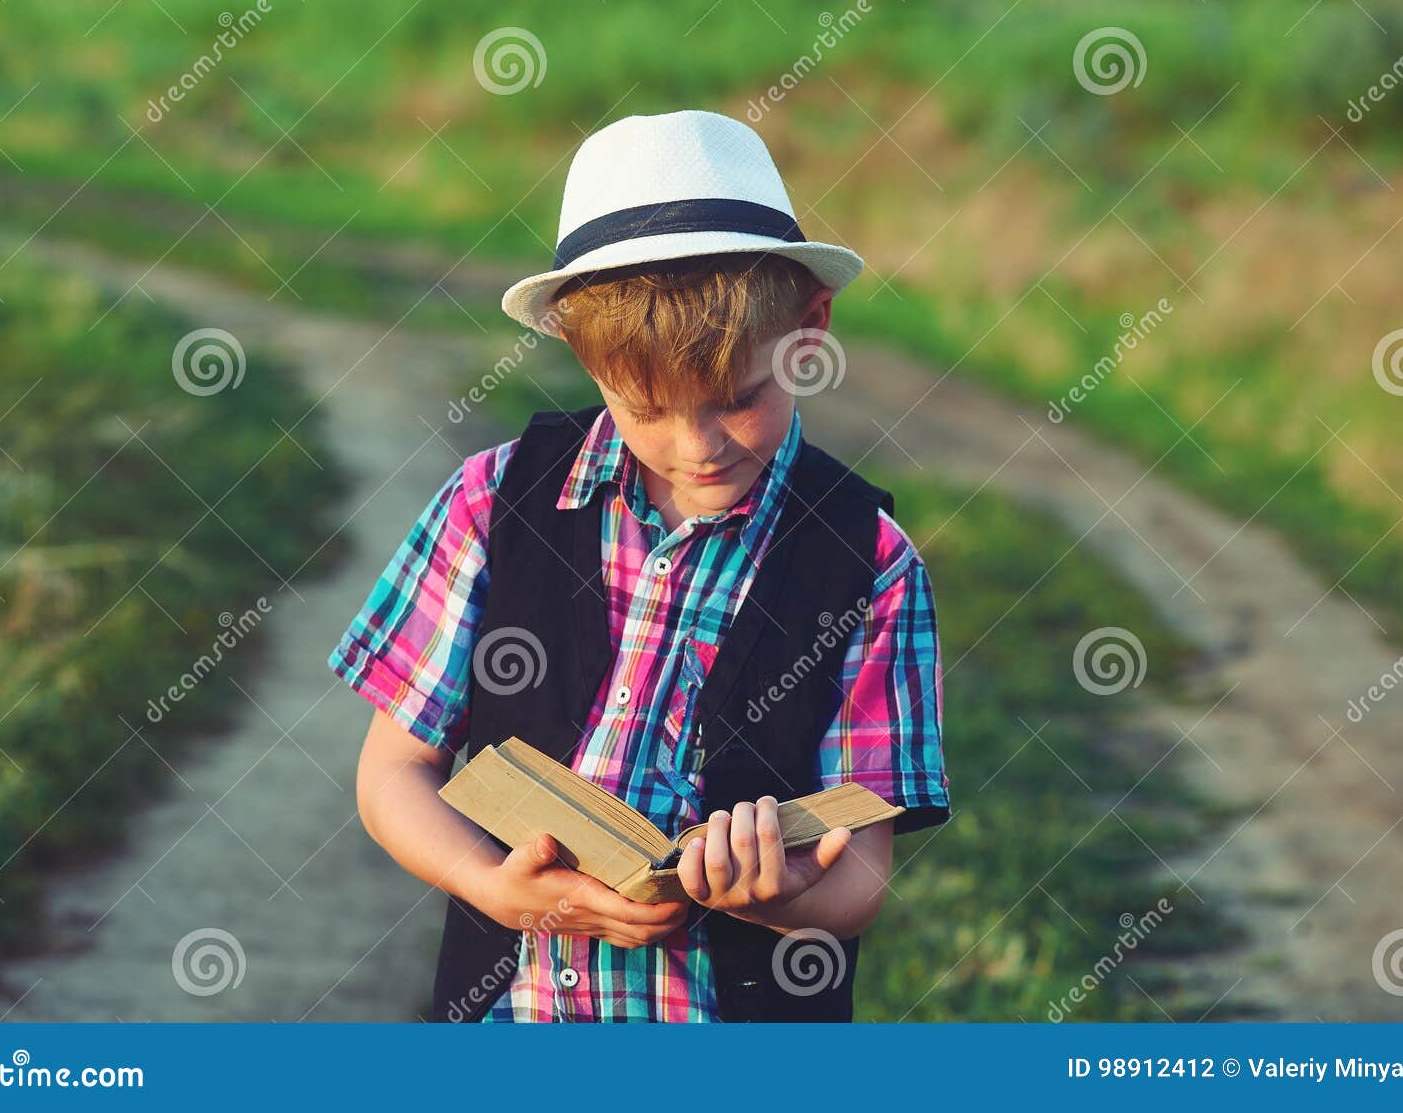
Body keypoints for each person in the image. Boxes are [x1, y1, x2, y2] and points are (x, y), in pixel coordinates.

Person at [329, 109, 951, 1022]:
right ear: (585, 360)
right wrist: (490, 883)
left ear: (810, 329)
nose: (697, 447)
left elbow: (859, 874)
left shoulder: (866, 562)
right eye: (648, 407)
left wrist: (769, 893)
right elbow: (394, 775)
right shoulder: (494, 502)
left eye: (741, 398)